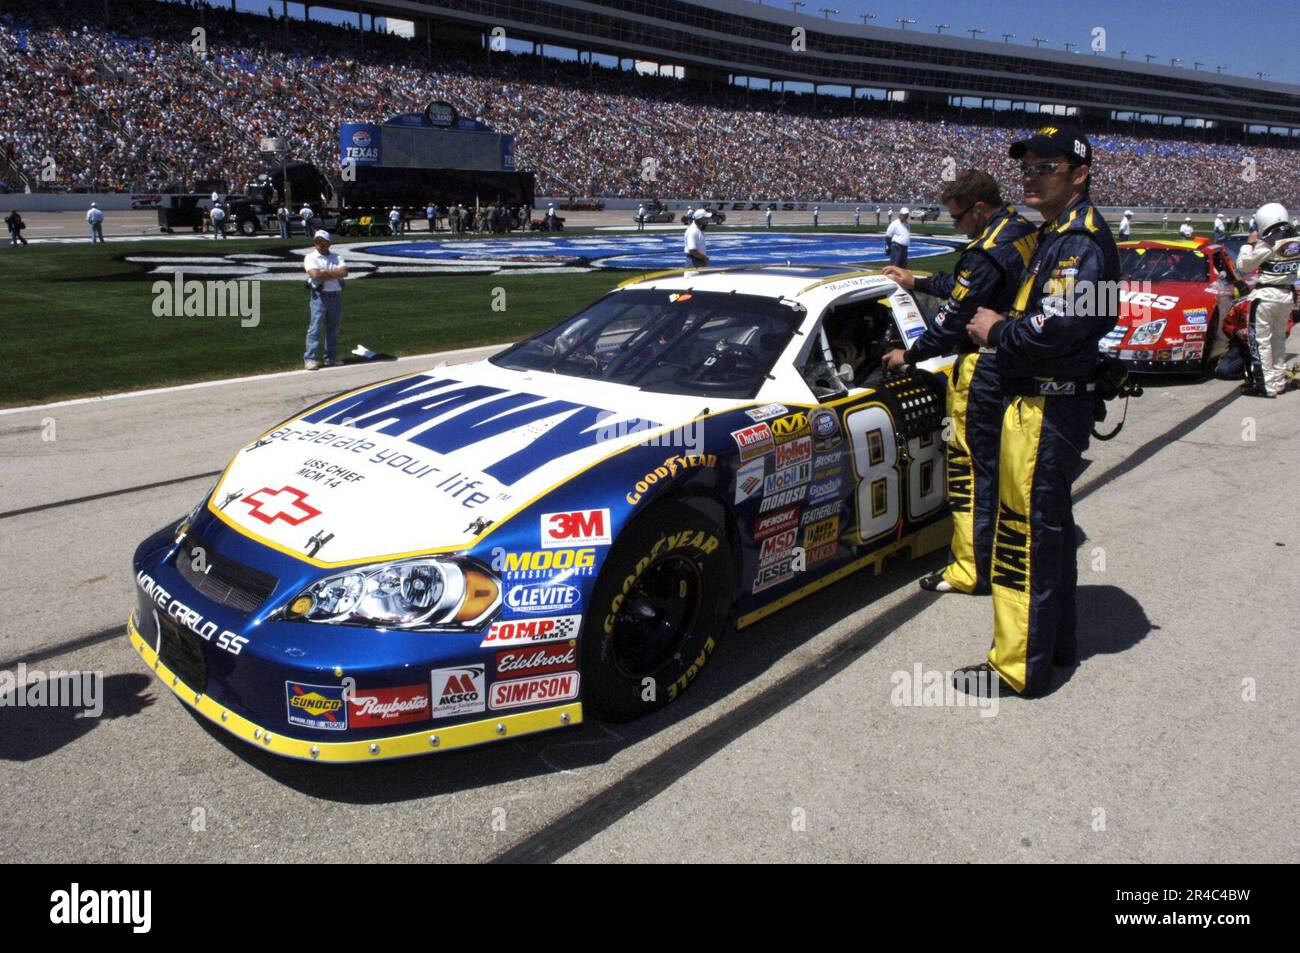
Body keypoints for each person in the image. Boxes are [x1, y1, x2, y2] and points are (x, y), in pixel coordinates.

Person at [965, 124, 1121, 698]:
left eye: (1044, 168)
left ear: (1078, 174)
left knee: (1023, 536)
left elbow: (1064, 324)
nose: (1029, 177)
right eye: (1025, 169)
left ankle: (1017, 668)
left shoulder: (1079, 239)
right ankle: (1053, 648)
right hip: (1047, 401)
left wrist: (996, 329)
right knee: (1047, 532)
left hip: (1047, 404)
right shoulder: (1062, 232)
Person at [881, 170, 1037, 597]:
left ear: (980, 209)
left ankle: (971, 568)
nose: (955, 225)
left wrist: (908, 355)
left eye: (957, 218)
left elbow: (953, 320)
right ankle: (1000, 553)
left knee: (969, 467)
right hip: (1017, 363)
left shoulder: (986, 251)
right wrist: (920, 282)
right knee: (1001, 465)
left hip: (984, 368)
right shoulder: (1020, 230)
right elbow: (970, 291)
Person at [1236, 203, 1300, 398]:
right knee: (1279, 341)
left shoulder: (1269, 242)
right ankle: (1279, 381)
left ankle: (1266, 385)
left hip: (1266, 296)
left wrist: (1249, 244)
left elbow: (1243, 266)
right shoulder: (1296, 239)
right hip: (1286, 295)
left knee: (1261, 342)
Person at [1214, 295, 1295, 381]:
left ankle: (1264, 369)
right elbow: (1227, 325)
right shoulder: (1241, 304)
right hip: (1243, 346)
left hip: (1266, 346)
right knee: (1223, 371)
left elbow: (1285, 329)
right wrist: (1237, 332)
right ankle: (1250, 370)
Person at [302, 230, 347, 370]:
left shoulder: (336, 256)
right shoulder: (310, 257)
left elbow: (344, 272)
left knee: (333, 328)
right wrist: (333, 274)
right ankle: (310, 358)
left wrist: (324, 274)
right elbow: (315, 274)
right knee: (315, 328)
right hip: (319, 296)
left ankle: (331, 358)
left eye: (323, 241)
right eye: (317, 241)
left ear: (329, 243)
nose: (320, 244)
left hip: (335, 294)